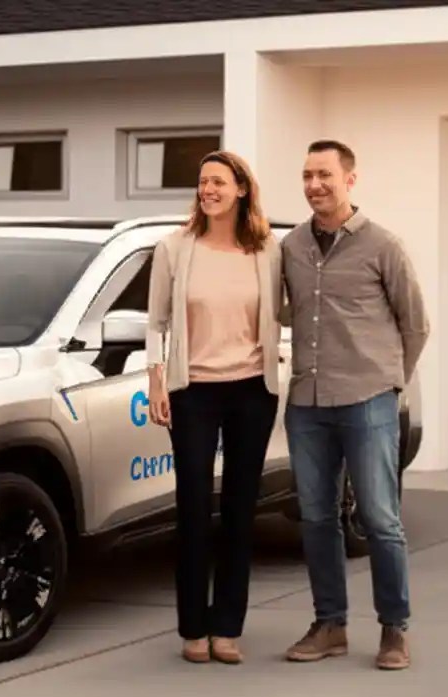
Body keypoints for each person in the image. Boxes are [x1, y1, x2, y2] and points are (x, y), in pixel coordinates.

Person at [279, 139, 430, 671]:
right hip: (307, 403)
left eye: (324, 174)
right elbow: (279, 313)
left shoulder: (383, 245)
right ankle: (330, 625)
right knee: (317, 518)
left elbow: (416, 323)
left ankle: (394, 629)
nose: (314, 184)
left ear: (350, 179)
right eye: (306, 175)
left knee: (380, 519)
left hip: (368, 401)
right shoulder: (291, 247)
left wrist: (389, 382)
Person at [145, 150, 284, 665]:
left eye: (219, 182)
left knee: (241, 511)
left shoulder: (267, 250)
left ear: (242, 189)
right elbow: (156, 323)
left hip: (253, 389)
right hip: (193, 391)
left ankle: (228, 626)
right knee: (194, 508)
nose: (209, 190)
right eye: (203, 182)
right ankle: (192, 628)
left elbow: (291, 310)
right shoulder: (175, 248)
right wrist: (157, 381)